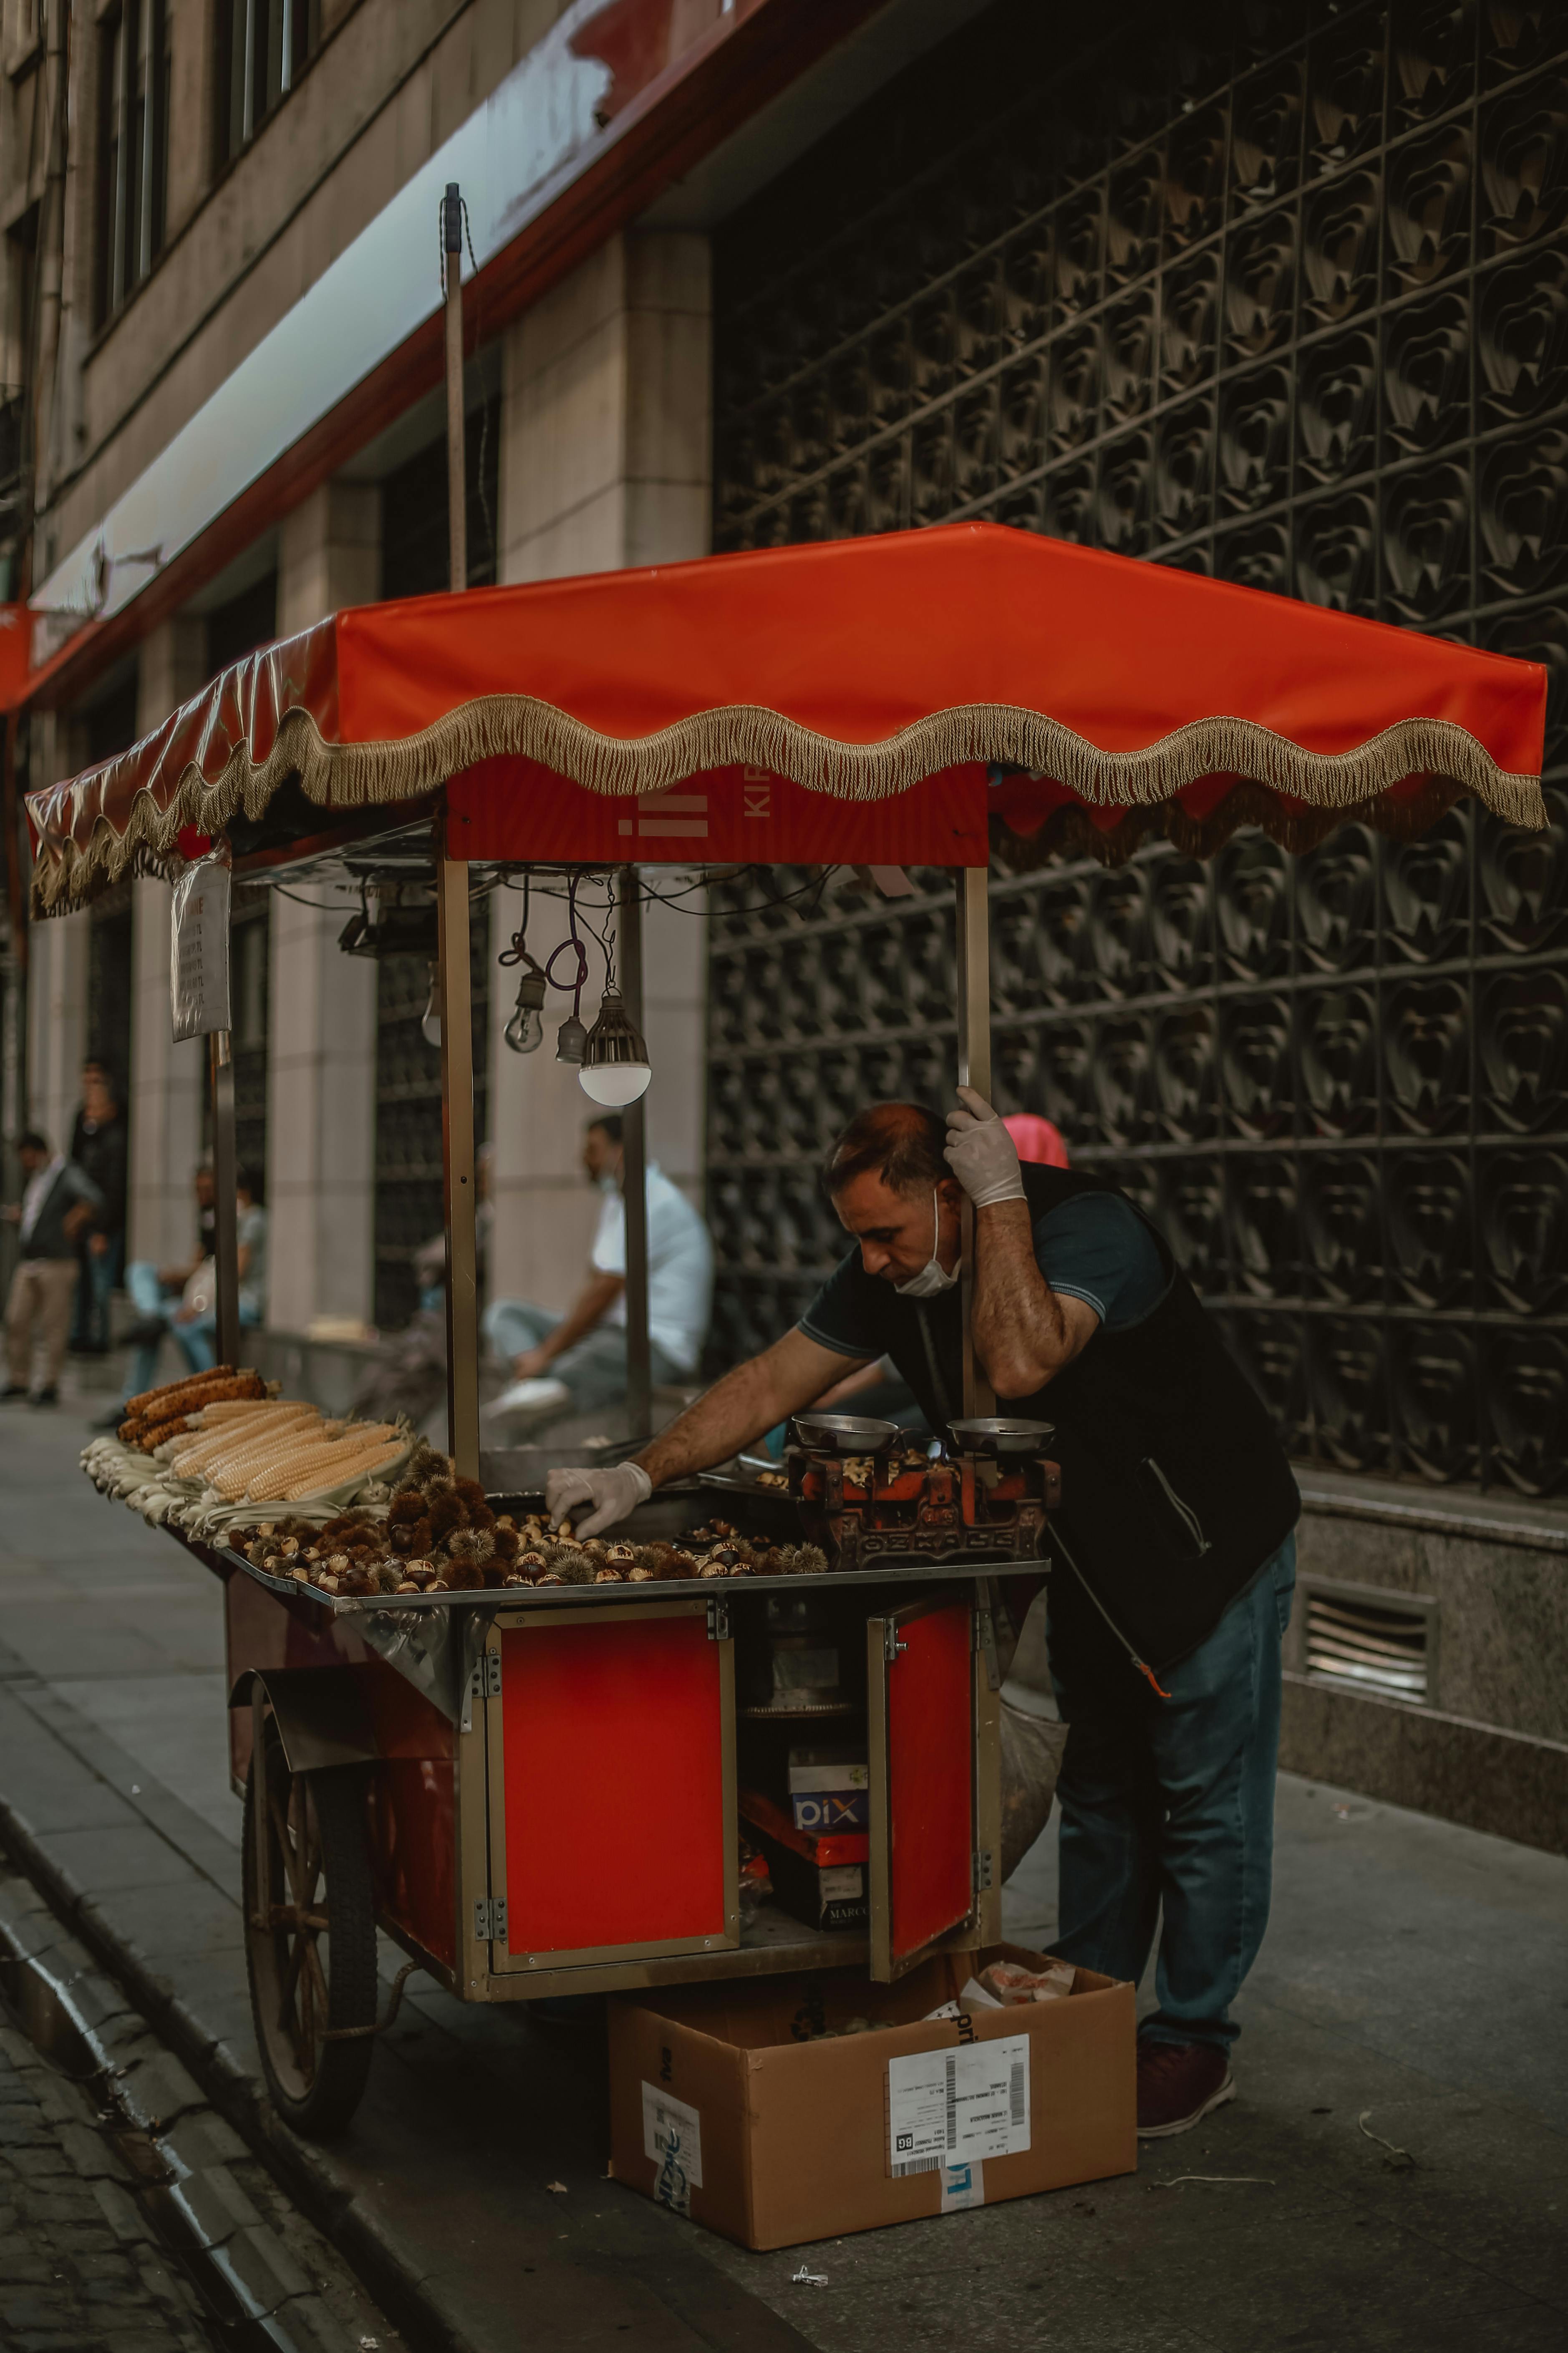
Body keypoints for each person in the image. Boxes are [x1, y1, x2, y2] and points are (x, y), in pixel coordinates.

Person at [549, 1092, 1300, 2141]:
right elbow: (771, 1379)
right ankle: (1084, 2004)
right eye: (854, 1237)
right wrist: (638, 1468)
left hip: (1206, 1555)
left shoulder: (1089, 1229)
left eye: (883, 1234)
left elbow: (1023, 1359)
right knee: (1098, 1795)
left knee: (1201, 1806)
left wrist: (1002, 1205)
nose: (868, 1262)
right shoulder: (900, 1271)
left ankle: (1190, 2040)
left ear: (948, 1195)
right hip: (1087, 1568)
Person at [484, 1114, 712, 1431]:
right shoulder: (616, 1200)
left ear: (620, 1151)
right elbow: (596, 1279)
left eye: (593, 1149)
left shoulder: (652, 1202)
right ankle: (537, 1385)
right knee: (506, 1315)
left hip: (657, 1345)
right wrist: (555, 1345)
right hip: (612, 1331)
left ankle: (534, 1392)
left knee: (571, 1363)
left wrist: (547, 1353)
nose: (584, 1158)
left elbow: (604, 1290)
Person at [3, 1132, 104, 1406]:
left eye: (28, 1157)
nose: (26, 1163)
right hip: (31, 1260)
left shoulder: (66, 1173)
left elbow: (93, 1198)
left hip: (57, 1262)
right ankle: (19, 1379)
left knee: (53, 1325)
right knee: (16, 1319)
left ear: (39, 1152)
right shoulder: (37, 1179)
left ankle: (49, 1384)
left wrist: (74, 1220)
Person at [69, 1058, 128, 1354]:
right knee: (81, 1279)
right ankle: (80, 1334)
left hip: (106, 1218)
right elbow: (74, 1165)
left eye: (97, 1082)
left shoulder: (117, 1125)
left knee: (101, 1280)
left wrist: (104, 1226)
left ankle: (101, 1339)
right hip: (84, 1213)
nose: (91, 1088)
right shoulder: (82, 1120)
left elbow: (116, 1181)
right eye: (87, 1081)